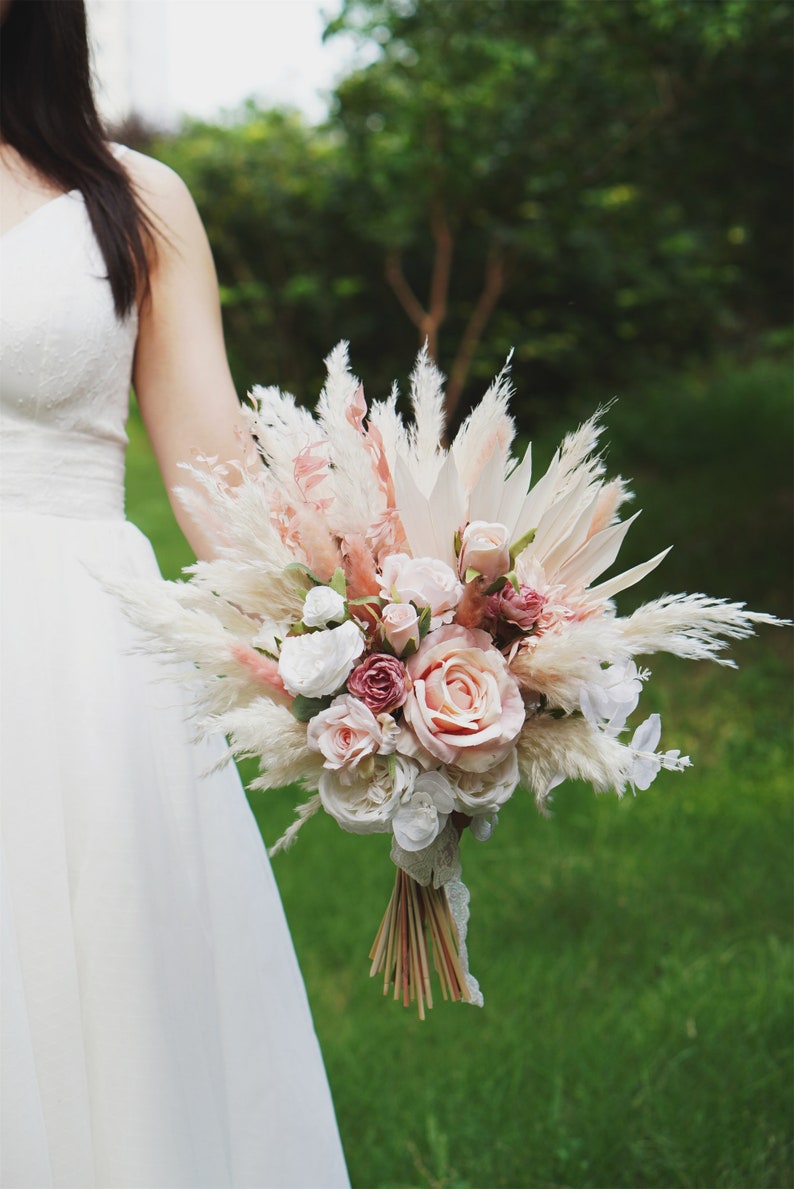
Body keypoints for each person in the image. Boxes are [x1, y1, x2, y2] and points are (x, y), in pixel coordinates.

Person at [0, 1, 349, 1184]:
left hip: (74, 661)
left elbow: (212, 475)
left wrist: (378, 649)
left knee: (97, 1005)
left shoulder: (133, 200)